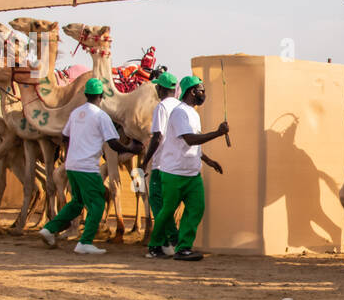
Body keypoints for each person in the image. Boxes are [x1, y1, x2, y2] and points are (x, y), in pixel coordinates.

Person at [38, 78, 141, 255]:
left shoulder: (76, 113)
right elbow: (113, 143)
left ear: (86, 95)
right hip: (87, 167)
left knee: (77, 202)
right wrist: (130, 148)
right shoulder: (101, 116)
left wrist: (76, 148)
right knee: (97, 203)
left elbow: (65, 136)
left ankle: (49, 229)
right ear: (101, 96)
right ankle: (85, 242)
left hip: (71, 165)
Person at [146, 75, 228, 261]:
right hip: (174, 173)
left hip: (192, 173)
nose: (203, 94)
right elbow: (189, 139)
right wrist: (218, 133)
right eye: (201, 90)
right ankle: (155, 245)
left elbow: (194, 145)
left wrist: (208, 161)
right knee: (167, 211)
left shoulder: (193, 113)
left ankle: (183, 248)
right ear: (192, 91)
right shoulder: (179, 113)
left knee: (196, 208)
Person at [138, 71, 181, 254]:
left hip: (161, 164)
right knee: (166, 206)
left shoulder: (161, 107)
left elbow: (157, 136)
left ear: (160, 88)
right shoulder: (182, 107)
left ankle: (165, 242)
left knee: (157, 204)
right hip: (176, 164)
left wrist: (145, 161)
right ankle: (172, 240)